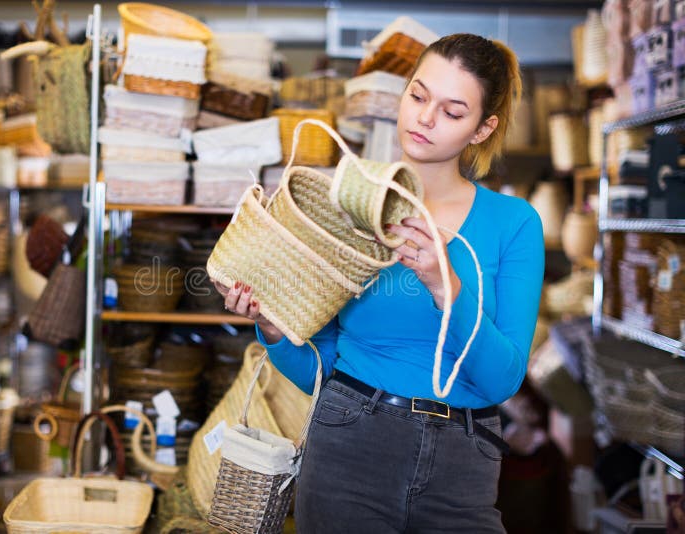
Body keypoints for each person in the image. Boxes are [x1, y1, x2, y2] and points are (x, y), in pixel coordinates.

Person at [215, 33, 544, 533]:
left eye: (453, 111)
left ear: (483, 129)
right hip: (349, 444)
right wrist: (274, 326)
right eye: (418, 95)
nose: (425, 118)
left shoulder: (513, 223)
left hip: (464, 463)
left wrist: (445, 284)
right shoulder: (350, 204)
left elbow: (501, 380)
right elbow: (320, 375)